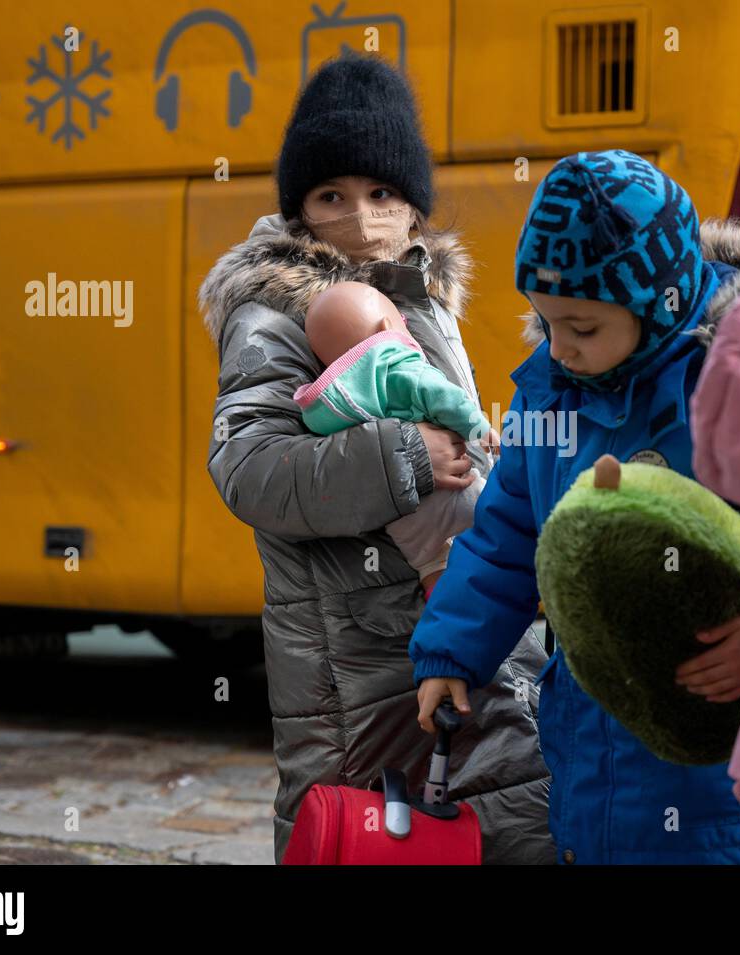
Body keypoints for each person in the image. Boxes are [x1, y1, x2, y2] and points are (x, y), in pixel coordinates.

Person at [410, 149, 740, 864]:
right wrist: (453, 647)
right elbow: (507, 535)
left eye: (584, 329)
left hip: (726, 777)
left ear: (654, 301)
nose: (560, 348)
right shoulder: (552, 392)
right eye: (548, 322)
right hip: (591, 749)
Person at [199, 54, 552, 864]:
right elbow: (248, 466)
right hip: (354, 677)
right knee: (374, 838)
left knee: (497, 827)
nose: (360, 217)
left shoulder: (418, 292)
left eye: (381, 195)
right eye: (331, 197)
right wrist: (403, 456)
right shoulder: (276, 311)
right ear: (299, 209)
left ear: (413, 205)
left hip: (455, 637)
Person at [294, 281, 494, 594]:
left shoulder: (328, 406)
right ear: (389, 326)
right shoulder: (398, 365)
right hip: (455, 493)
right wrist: (482, 431)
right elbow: (445, 398)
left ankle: (442, 604)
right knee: (500, 515)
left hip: (402, 521)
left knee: (431, 563)